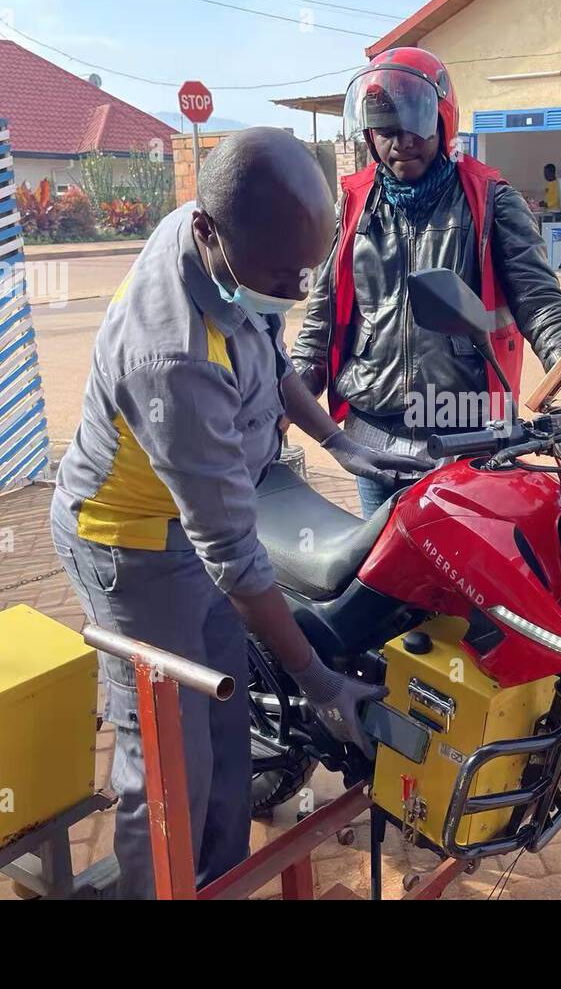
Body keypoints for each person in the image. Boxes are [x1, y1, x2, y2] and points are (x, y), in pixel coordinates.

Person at [49, 128, 427, 899]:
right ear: (208, 232)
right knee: (166, 767)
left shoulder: (226, 258)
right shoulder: (174, 357)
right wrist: (321, 683)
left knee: (223, 732)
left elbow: (268, 353)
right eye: (278, 274)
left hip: (186, 533)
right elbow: (234, 555)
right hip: (126, 547)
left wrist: (339, 441)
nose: (292, 290)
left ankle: (215, 882)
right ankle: (156, 889)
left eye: (304, 274)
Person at [292, 47, 561, 517]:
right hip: (372, 437)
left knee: (466, 577)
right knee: (384, 578)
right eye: (385, 129)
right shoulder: (352, 207)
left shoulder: (490, 201)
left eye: (413, 125)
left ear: (442, 120)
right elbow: (320, 327)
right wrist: (279, 404)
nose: (400, 142)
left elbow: (540, 303)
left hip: (466, 434)